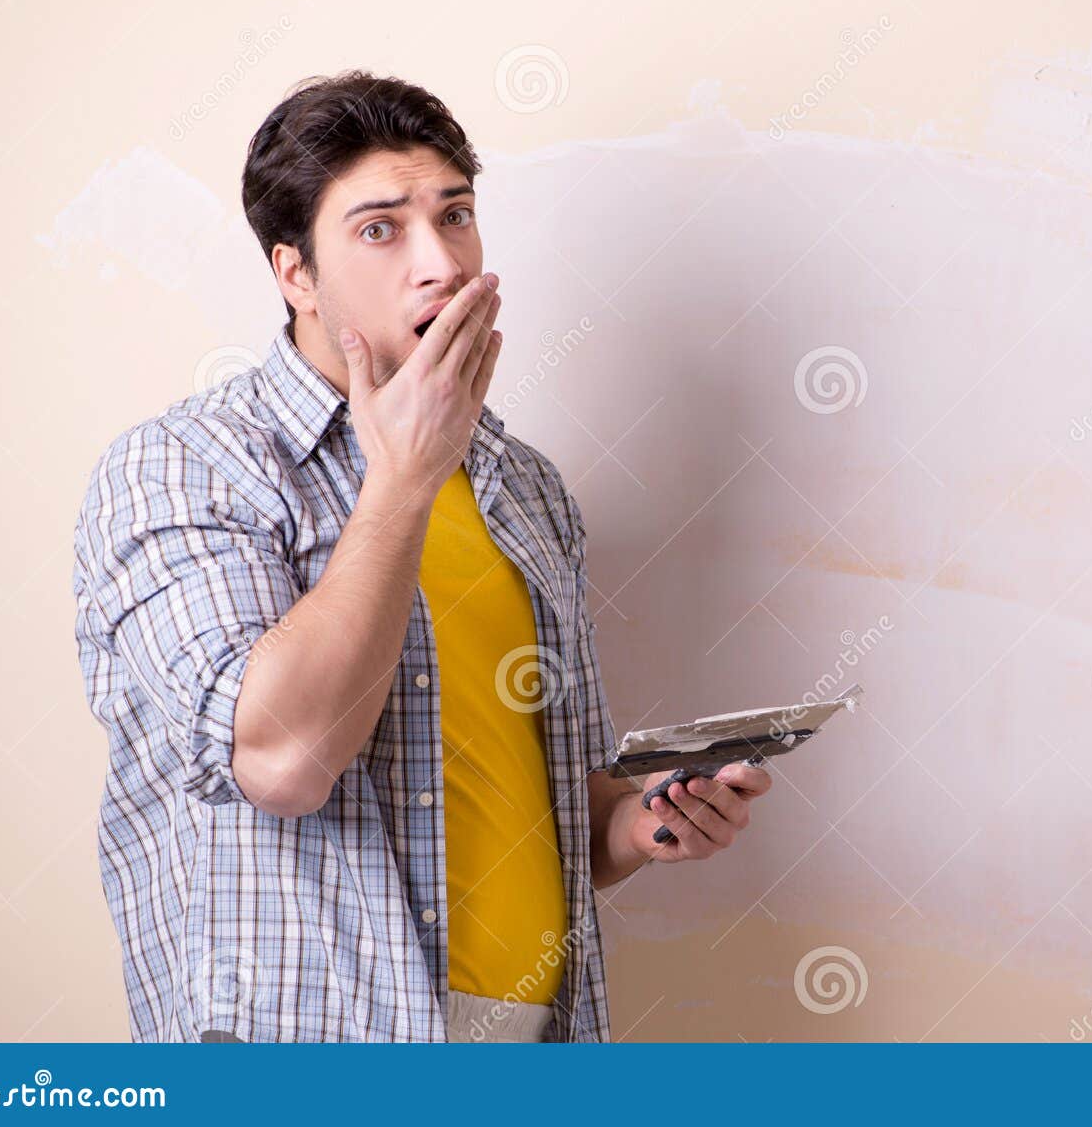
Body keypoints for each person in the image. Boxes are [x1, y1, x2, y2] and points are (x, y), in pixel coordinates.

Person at [70, 71, 772, 1043]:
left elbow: (555, 790)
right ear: (294, 276)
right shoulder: (185, 469)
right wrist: (400, 480)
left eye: (456, 215)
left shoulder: (521, 486)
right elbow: (283, 761)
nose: (439, 261)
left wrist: (637, 823)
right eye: (379, 228)